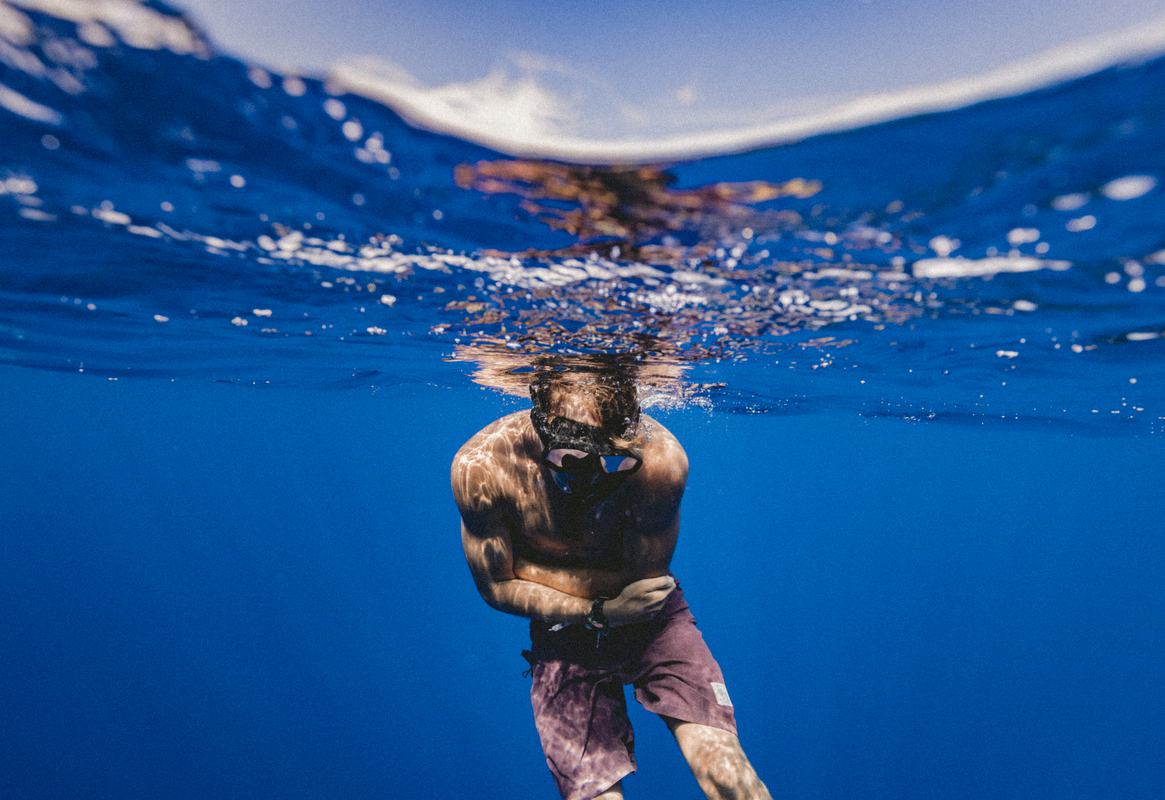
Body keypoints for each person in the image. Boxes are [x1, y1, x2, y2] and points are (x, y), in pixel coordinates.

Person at [451, 366, 772, 800]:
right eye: (571, 461)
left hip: (649, 619)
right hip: (565, 633)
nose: (593, 481)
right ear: (541, 424)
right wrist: (598, 610)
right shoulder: (483, 468)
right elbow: (494, 590)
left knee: (726, 771)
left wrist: (529, 575)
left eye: (611, 462)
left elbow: (643, 586)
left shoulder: (660, 461)